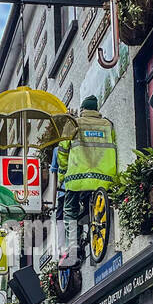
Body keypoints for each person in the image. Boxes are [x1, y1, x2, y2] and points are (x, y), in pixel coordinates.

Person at [56, 95, 117, 264]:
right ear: (96, 110)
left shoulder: (73, 124)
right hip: (104, 178)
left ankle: (74, 246)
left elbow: (62, 153)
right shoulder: (108, 125)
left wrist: (62, 176)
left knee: (70, 209)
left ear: (82, 109)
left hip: (77, 177)